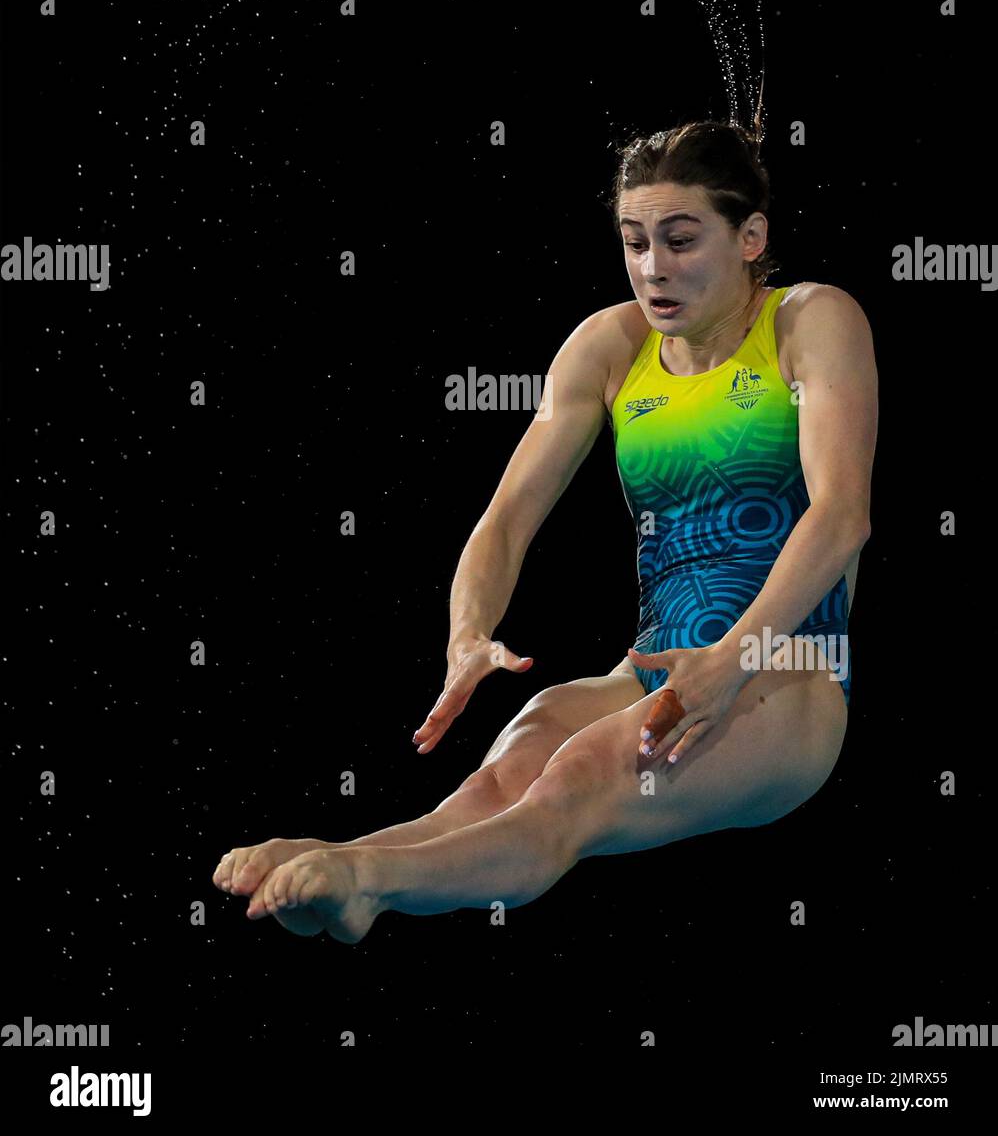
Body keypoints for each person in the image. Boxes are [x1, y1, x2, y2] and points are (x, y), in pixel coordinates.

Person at [211, 117, 878, 943]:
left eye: (680, 240)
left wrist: (732, 660)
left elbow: (842, 515)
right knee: (514, 759)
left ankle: (366, 880)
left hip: (789, 674)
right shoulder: (610, 346)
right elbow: (506, 517)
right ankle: (348, 864)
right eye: (634, 242)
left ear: (751, 237)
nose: (652, 269)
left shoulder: (809, 321)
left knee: (579, 778)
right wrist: (468, 632)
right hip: (659, 668)